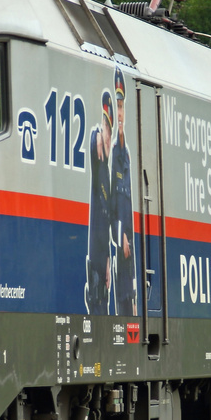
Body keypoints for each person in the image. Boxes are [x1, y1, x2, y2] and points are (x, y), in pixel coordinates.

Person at [85, 89, 114, 314]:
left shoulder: (108, 174)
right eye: (106, 129)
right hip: (93, 266)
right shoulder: (98, 161)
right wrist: (98, 135)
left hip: (101, 262)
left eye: (110, 133)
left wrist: (108, 261)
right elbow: (94, 143)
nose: (107, 136)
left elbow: (106, 224)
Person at [110, 70, 137, 315]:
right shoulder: (111, 156)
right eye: (116, 106)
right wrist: (122, 236)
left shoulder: (126, 154)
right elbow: (107, 207)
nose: (120, 113)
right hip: (120, 253)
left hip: (132, 261)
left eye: (122, 106)